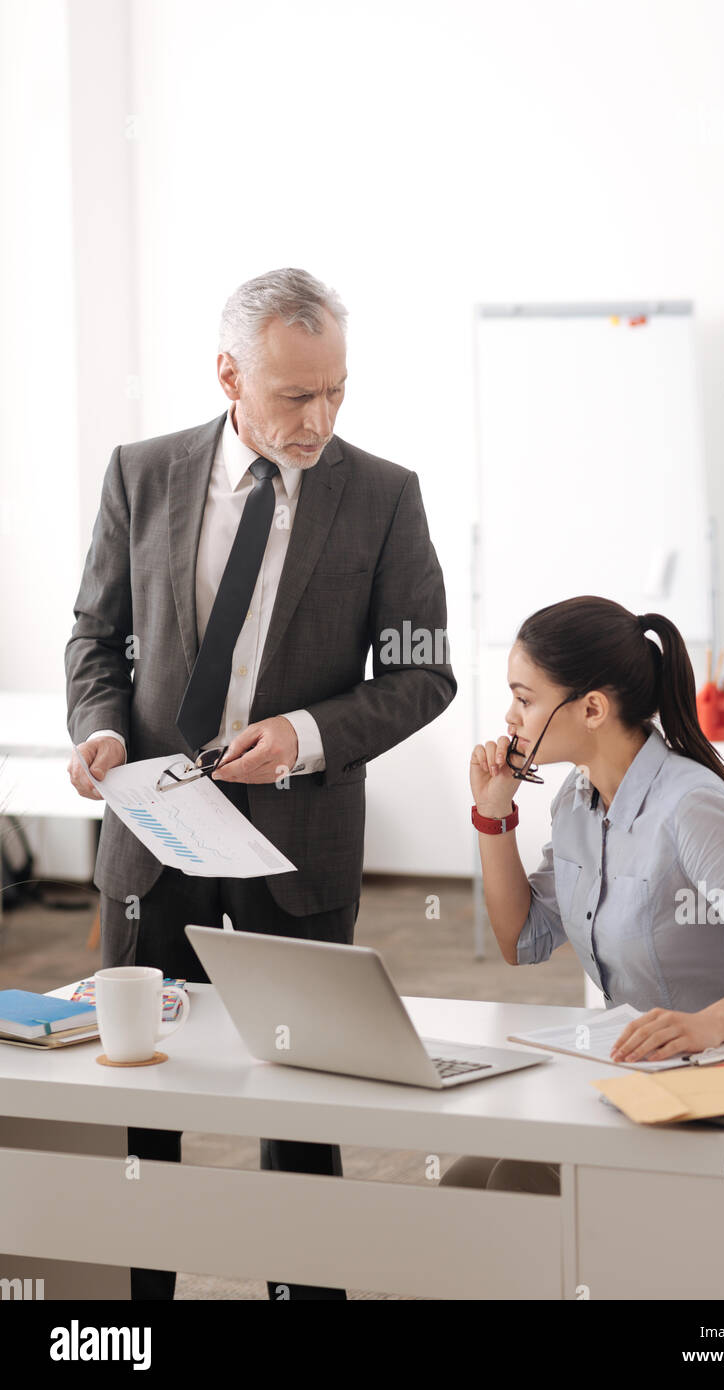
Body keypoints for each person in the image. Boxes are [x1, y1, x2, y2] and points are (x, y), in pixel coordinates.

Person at [65, 266, 457, 1298]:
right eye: (295, 395)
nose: (319, 418)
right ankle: (137, 1308)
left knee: (305, 1096)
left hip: (301, 841)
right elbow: (96, 638)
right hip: (152, 834)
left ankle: (304, 1293)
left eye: (336, 391)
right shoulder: (139, 472)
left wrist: (304, 735)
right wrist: (100, 731)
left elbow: (425, 671)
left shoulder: (384, 496)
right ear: (230, 373)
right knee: (141, 1098)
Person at [441, 595, 724, 1196]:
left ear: (593, 708)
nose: (510, 717)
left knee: (510, 1184)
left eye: (525, 699)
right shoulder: (576, 802)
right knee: (468, 1180)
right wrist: (494, 814)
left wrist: (706, 1027)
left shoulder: (691, 807)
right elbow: (520, 941)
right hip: (643, 1075)